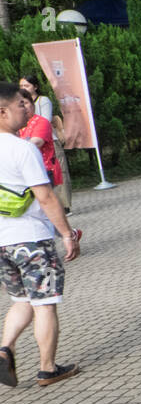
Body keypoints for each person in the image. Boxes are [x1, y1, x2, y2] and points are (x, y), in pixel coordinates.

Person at [0, 82, 80, 387]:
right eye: (20, 104)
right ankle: (47, 368)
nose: (26, 108)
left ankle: (4, 350)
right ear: (3, 112)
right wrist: (67, 234)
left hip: (3, 243)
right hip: (31, 239)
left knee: (21, 300)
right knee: (44, 303)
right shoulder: (22, 149)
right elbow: (45, 196)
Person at [18, 75, 69, 211]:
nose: (24, 88)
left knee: (60, 175)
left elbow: (41, 132)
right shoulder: (17, 124)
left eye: (27, 85)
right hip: (29, 162)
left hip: (49, 145)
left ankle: (64, 206)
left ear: (35, 87)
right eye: (21, 86)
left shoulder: (43, 102)